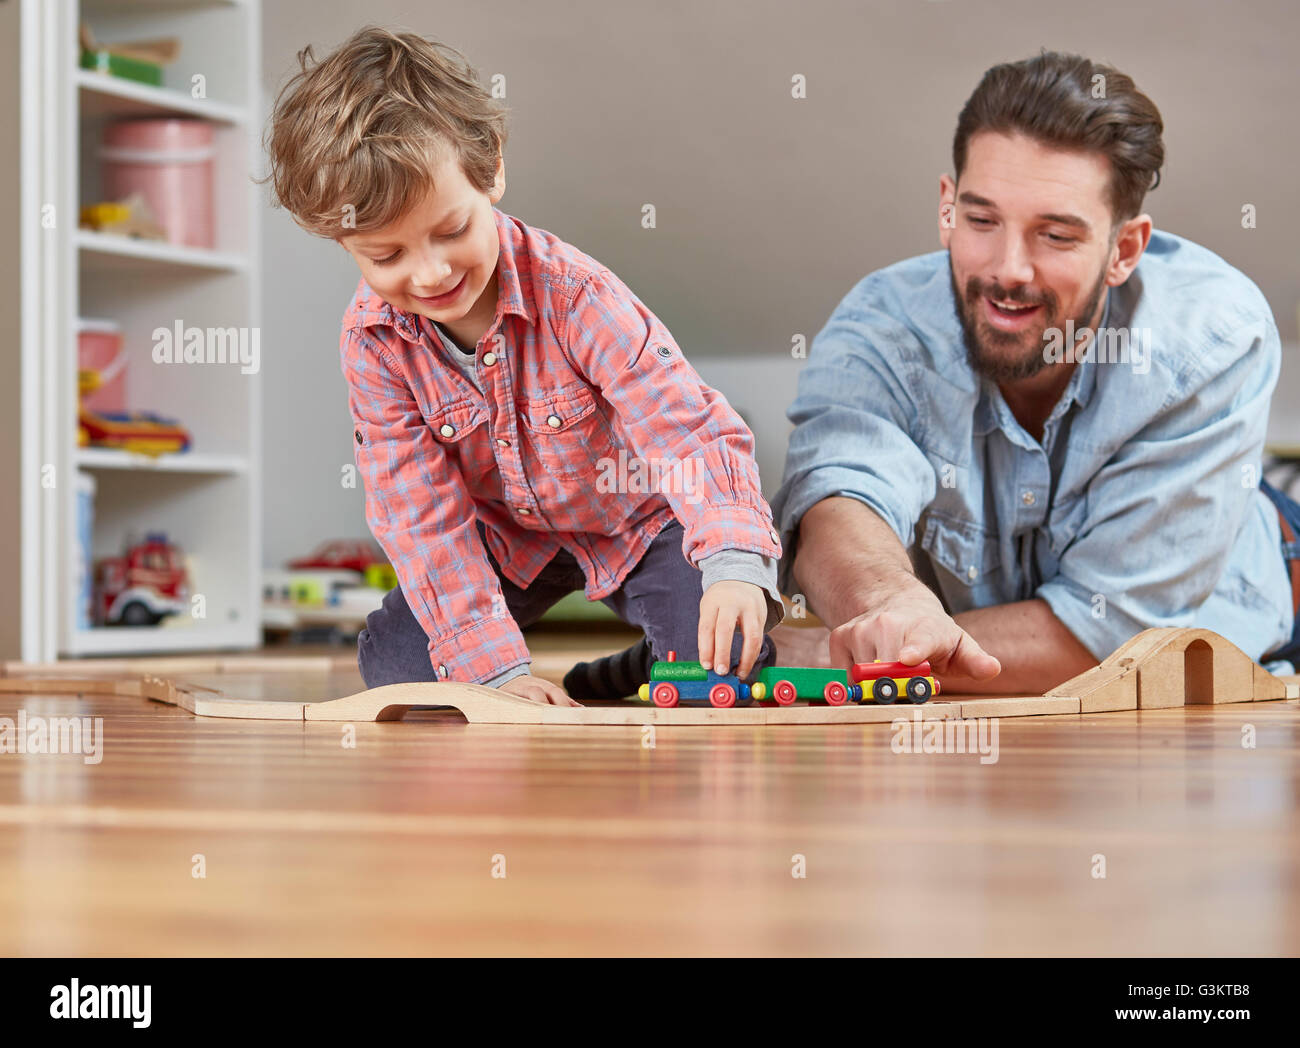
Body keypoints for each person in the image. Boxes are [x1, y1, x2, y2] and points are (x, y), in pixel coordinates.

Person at [262, 26, 784, 706]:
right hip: (508, 547)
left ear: (492, 170)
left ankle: (654, 658)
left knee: (723, 667)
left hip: (638, 526)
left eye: (451, 231)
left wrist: (734, 565)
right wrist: (495, 678)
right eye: (386, 256)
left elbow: (686, 428)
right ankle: (632, 659)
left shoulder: (576, 294)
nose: (430, 272)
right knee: (397, 668)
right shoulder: (373, 343)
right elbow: (418, 515)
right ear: (343, 241)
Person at [770, 50, 1298, 694]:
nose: (1008, 270)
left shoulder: (1211, 338)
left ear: (1124, 250)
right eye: (982, 220)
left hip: (1252, 600)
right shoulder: (882, 326)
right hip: (992, 637)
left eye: (1055, 235)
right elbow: (840, 494)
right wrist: (888, 606)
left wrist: (835, 653)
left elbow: (1108, 634)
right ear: (948, 205)